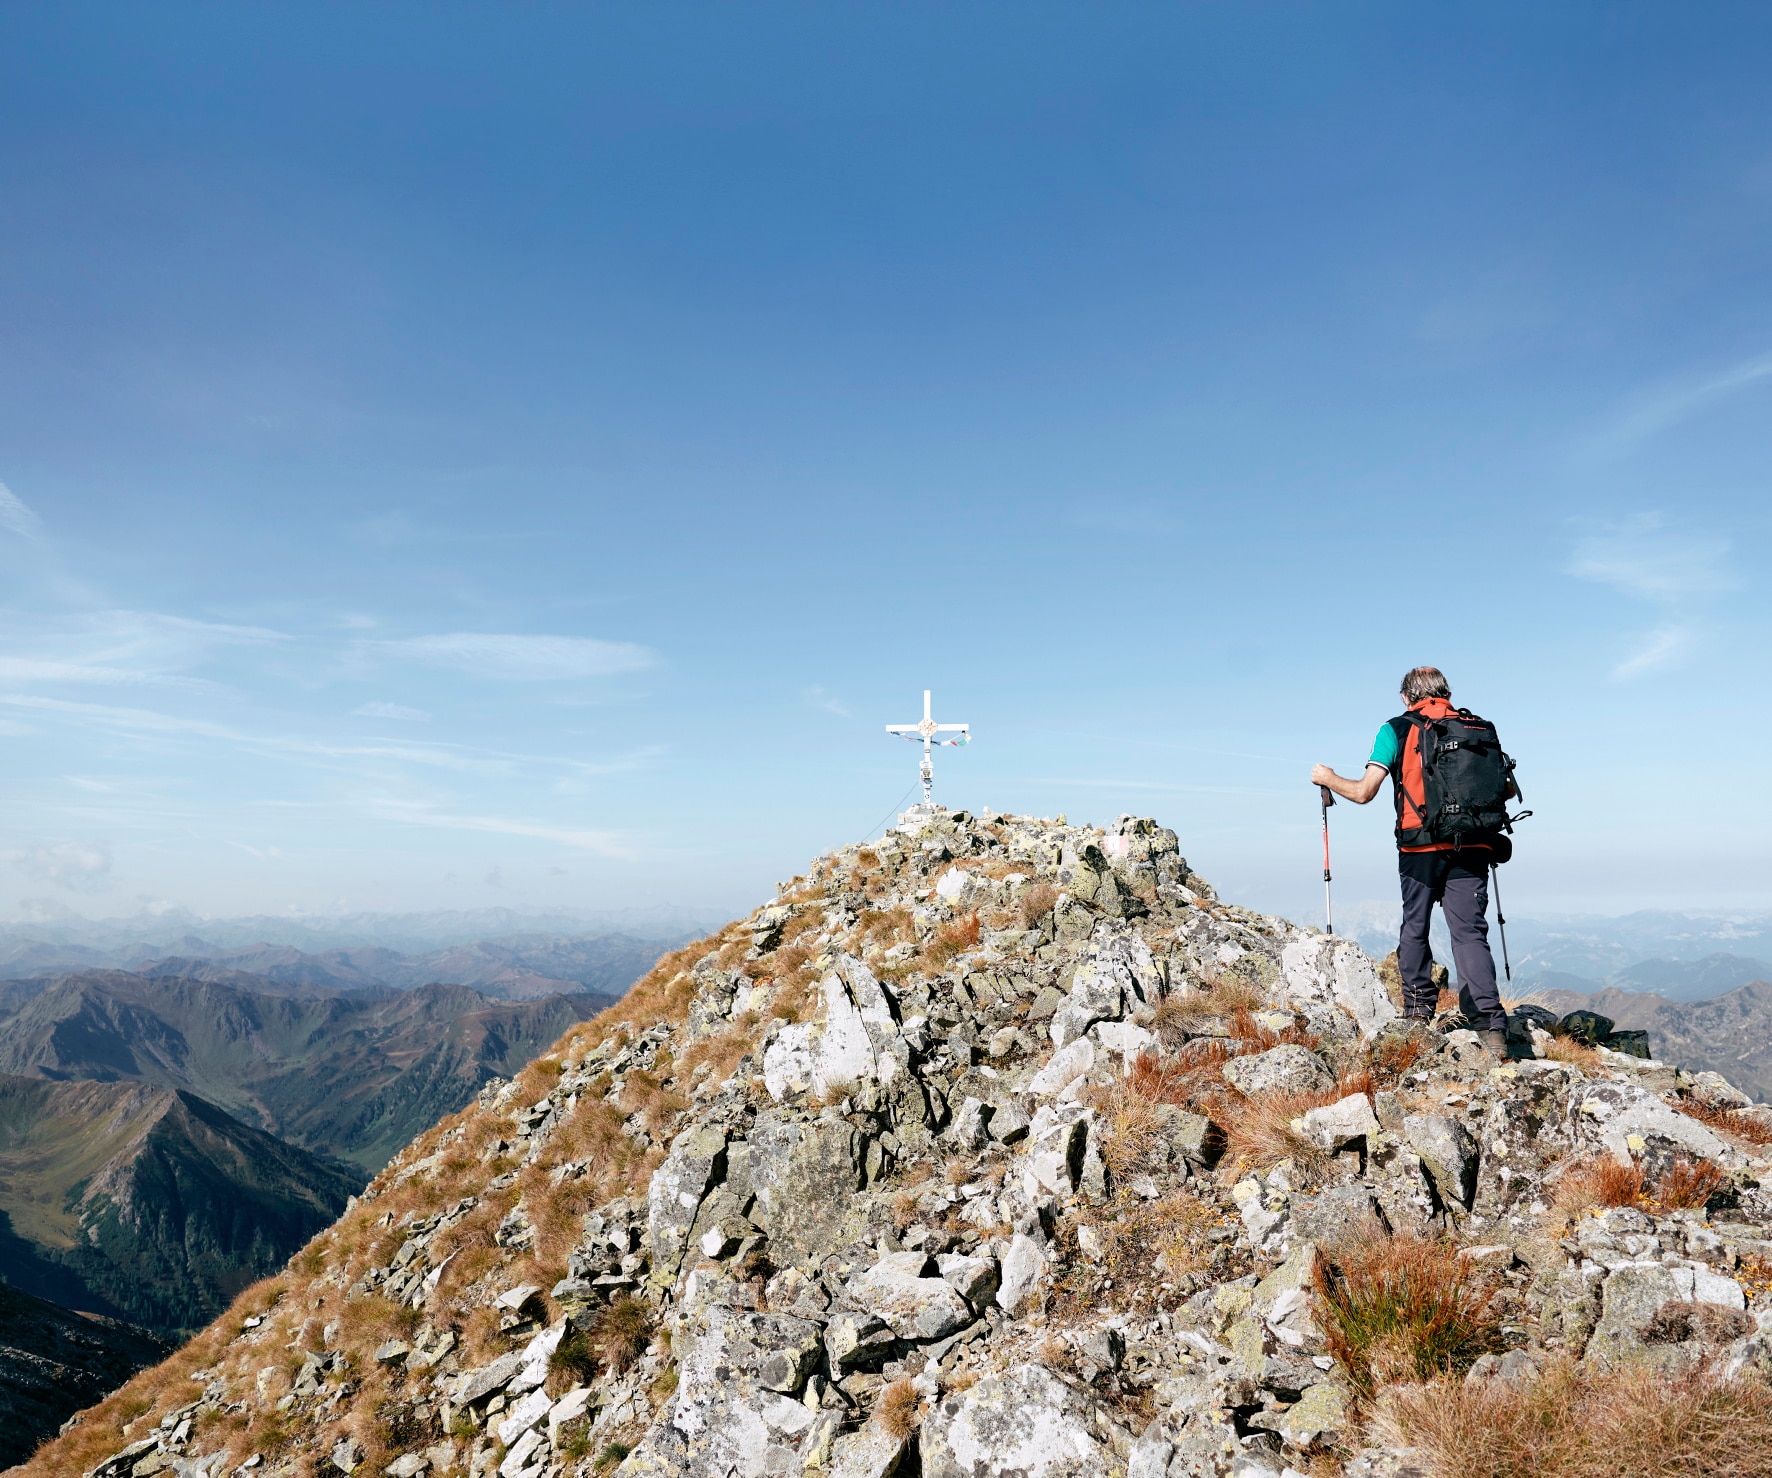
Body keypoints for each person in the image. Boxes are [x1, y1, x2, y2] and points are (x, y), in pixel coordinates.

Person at [1310, 666, 1510, 1057]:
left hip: (1421, 848)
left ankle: (1418, 1014)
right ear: (1446, 692)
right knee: (1469, 933)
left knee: (1415, 926)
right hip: (1474, 844)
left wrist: (1328, 778)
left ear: (1406, 697)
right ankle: (1491, 1027)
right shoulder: (1478, 728)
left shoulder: (1396, 729)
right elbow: (1500, 788)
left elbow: (1364, 792)